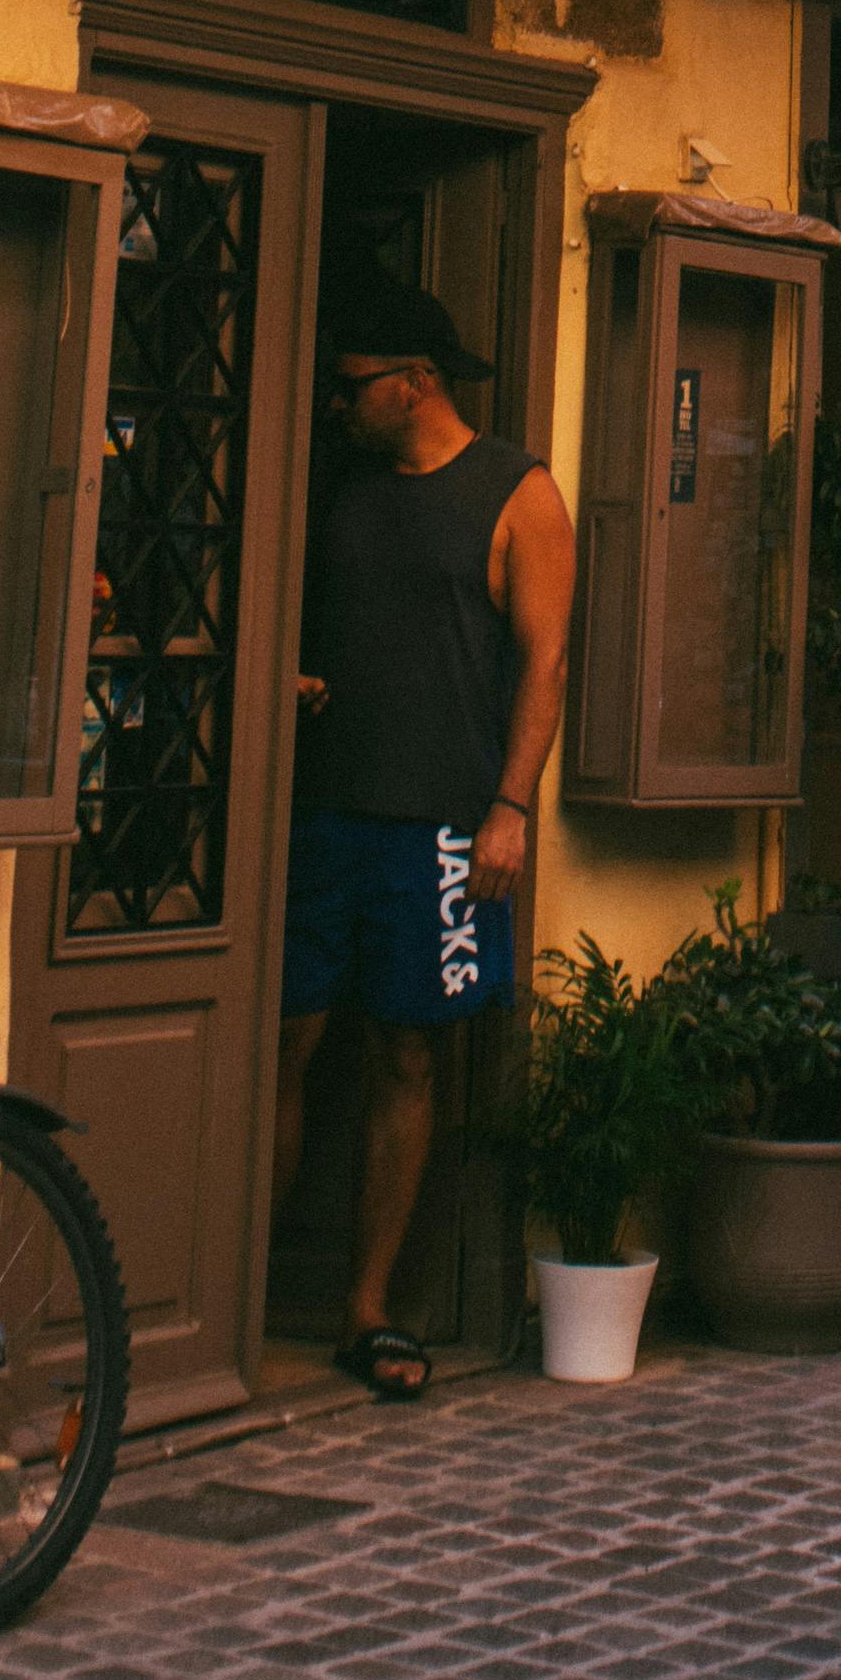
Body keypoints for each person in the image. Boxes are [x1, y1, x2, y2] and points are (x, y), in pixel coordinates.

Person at [274, 297, 574, 1405]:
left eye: (351, 384)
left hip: (443, 824)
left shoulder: (518, 492)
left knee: (407, 1057)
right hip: (321, 808)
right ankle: (233, 1296)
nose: (336, 404)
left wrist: (510, 807)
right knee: (283, 1040)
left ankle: (367, 1307)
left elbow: (544, 663)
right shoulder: (337, 485)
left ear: (415, 380)